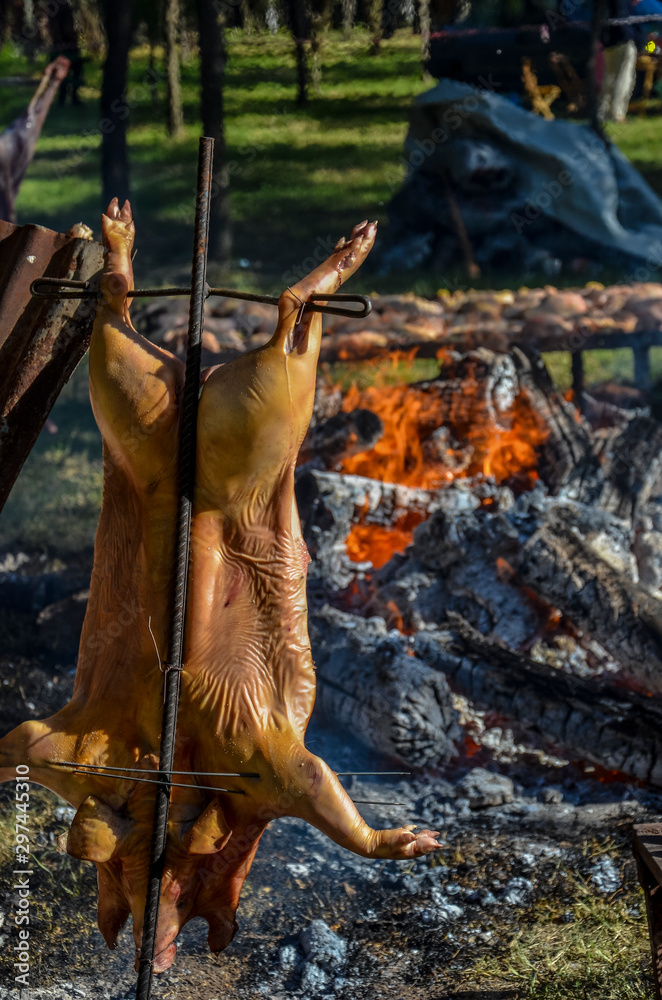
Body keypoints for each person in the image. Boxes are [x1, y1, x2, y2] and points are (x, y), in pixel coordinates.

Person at [599, 0, 646, 122]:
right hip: (622, 41)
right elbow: (625, 20)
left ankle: (603, 112)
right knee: (623, 78)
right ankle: (617, 113)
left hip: (607, 41)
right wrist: (635, 40)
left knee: (608, 78)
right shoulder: (623, 4)